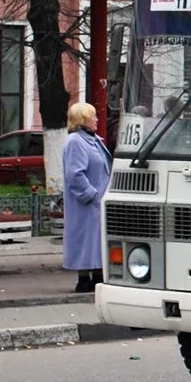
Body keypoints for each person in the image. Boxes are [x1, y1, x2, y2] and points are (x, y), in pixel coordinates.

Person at [62, 102, 112, 293]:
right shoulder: (76, 141)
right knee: (86, 239)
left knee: (95, 239)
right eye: (93, 116)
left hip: (96, 202)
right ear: (83, 120)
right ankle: (84, 278)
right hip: (86, 203)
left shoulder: (94, 140)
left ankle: (98, 274)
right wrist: (92, 195)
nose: (97, 119)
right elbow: (75, 174)